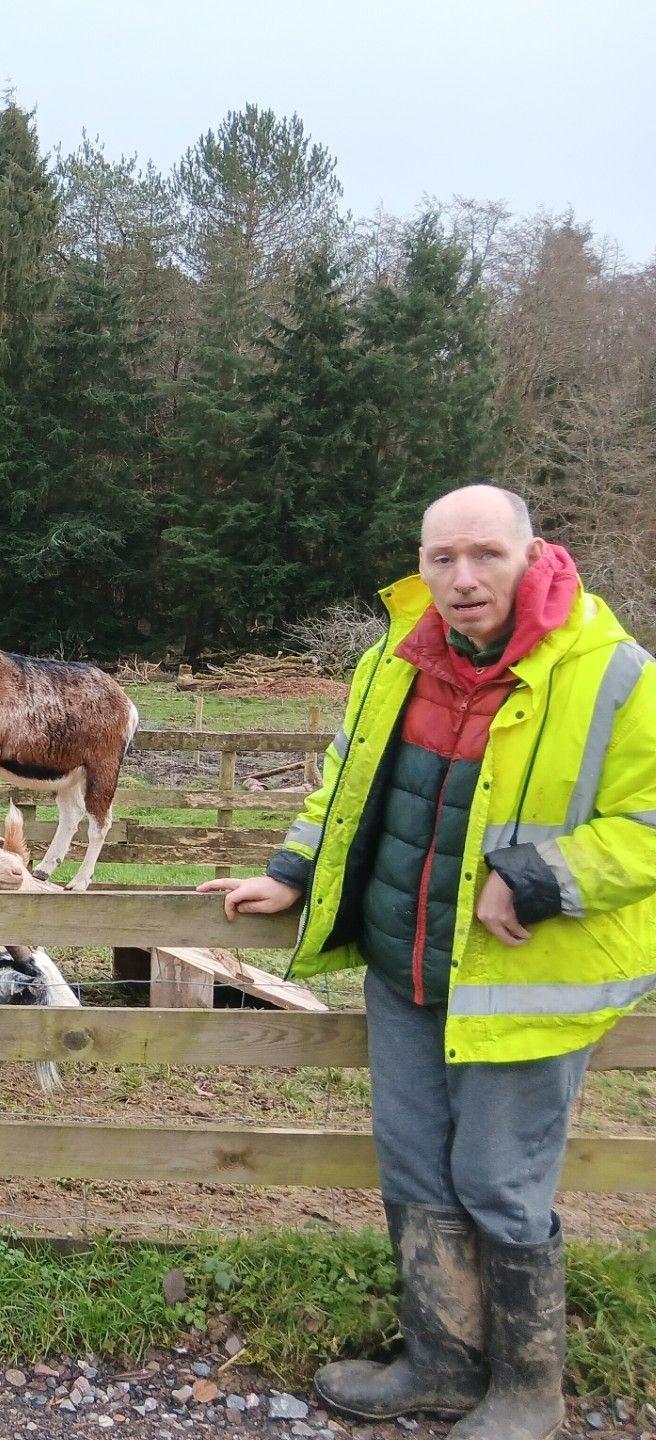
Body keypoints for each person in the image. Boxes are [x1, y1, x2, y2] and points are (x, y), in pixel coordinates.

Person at [201, 484, 656, 1440]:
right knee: (414, 1166)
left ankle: (530, 1390)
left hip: (525, 982)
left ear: (533, 555)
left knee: (497, 1177)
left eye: (485, 554)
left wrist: (537, 875)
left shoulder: (615, 674)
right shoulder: (393, 660)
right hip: (406, 969)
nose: (460, 578)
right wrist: (293, 868)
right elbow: (347, 778)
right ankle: (440, 1365)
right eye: (441, 558)